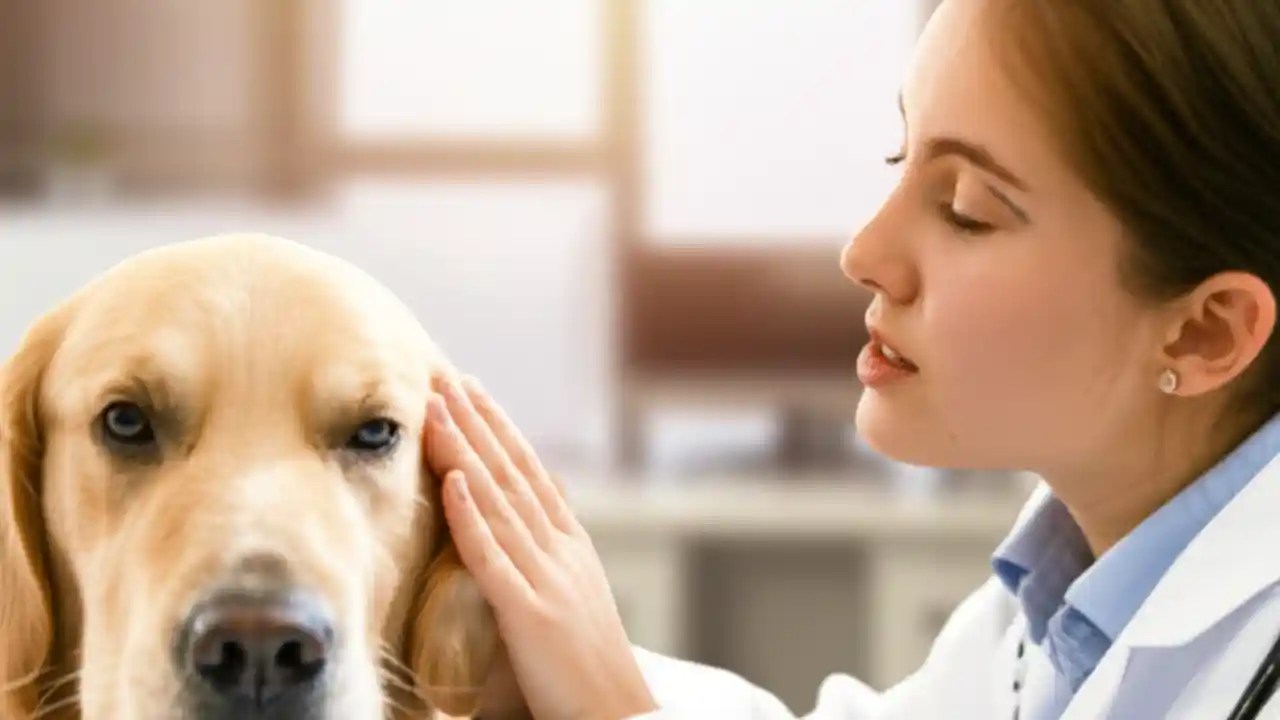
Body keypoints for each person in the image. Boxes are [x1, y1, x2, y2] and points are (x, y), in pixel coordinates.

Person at [421, 0, 1280, 717]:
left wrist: (614, 702)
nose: (863, 251)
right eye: (899, 159)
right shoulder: (1066, 592)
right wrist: (574, 659)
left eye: (968, 209)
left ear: (1203, 332)